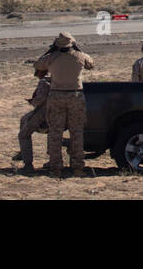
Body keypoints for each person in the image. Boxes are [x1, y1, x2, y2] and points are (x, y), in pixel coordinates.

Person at [33, 32, 96, 177]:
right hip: (75, 95)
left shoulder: (51, 58)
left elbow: (37, 65)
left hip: (56, 95)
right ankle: (78, 167)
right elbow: (91, 64)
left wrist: (51, 51)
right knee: (76, 132)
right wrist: (78, 50)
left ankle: (55, 167)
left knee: (55, 132)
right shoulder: (80, 56)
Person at [15, 69, 50, 174]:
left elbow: (41, 99)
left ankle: (28, 164)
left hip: (43, 113)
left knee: (23, 135)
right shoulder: (58, 80)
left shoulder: (44, 82)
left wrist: (33, 102)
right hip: (57, 113)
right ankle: (23, 152)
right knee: (23, 119)